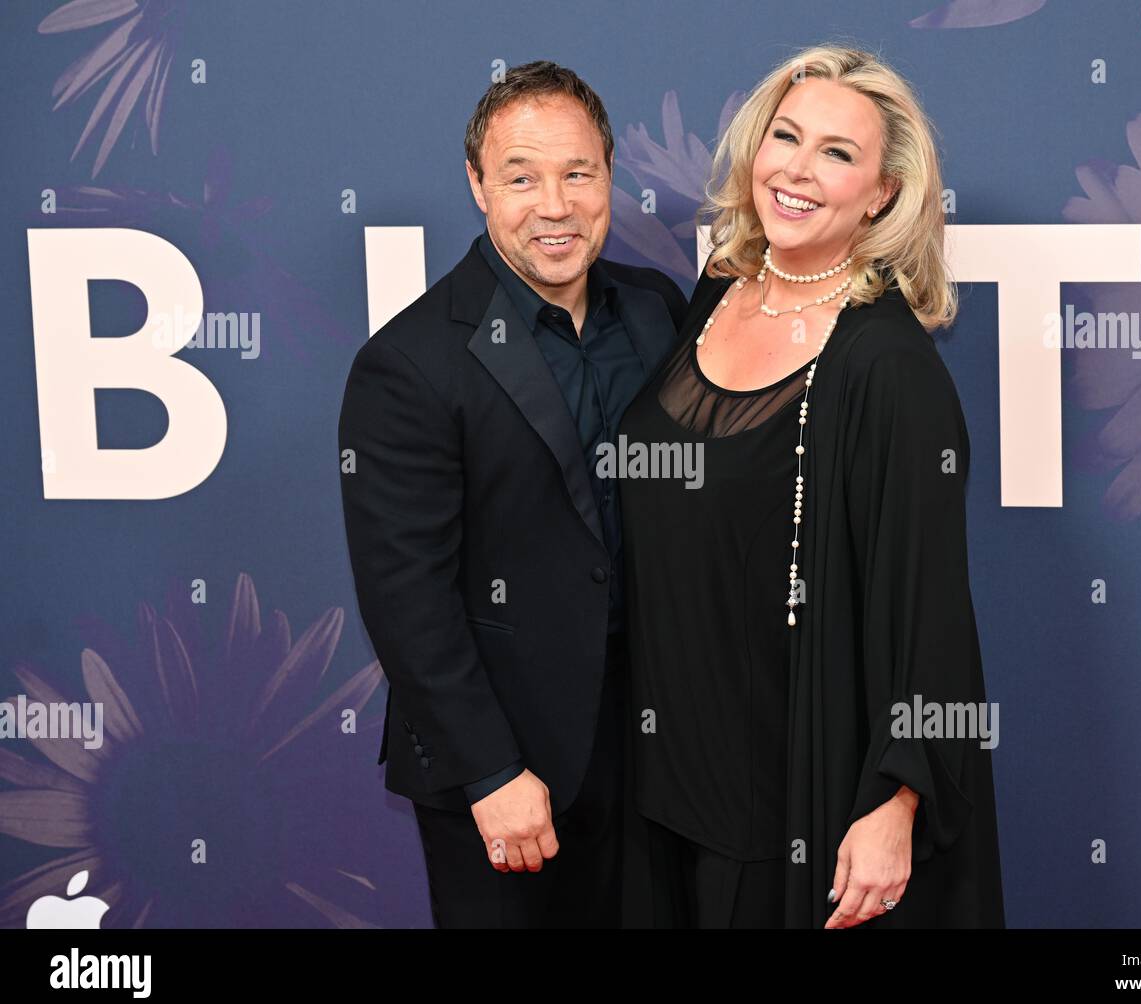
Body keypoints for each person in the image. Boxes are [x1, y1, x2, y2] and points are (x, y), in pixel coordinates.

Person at [618, 44, 1006, 928]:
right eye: (785, 136)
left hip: (786, 799)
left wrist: (896, 803)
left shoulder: (888, 366)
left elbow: (934, 612)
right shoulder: (718, 290)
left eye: (837, 153)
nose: (797, 169)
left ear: (882, 193)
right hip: (661, 786)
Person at [338, 60, 686, 928]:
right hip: (502, 770)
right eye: (521, 178)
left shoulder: (657, 312)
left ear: (610, 173)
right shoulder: (410, 362)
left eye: (578, 173)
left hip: (650, 754)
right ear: (477, 187)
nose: (555, 204)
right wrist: (490, 774)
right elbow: (405, 596)